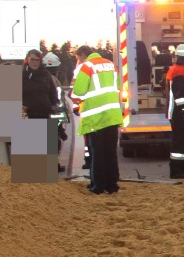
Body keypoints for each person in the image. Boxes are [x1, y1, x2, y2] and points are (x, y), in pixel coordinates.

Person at [71, 44, 124, 195]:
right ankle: (112, 185)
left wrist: (75, 100)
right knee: (110, 152)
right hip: (112, 116)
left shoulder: (86, 67)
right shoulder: (110, 65)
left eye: (77, 58)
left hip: (96, 117)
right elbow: (118, 86)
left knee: (97, 153)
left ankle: (98, 185)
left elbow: (78, 92)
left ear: (82, 55)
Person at [165, 43, 184, 179]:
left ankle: (179, 168)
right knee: (180, 143)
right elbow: (181, 97)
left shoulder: (175, 70)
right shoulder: (181, 72)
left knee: (179, 142)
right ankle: (177, 171)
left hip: (176, 113)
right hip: (179, 114)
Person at [21, 49, 58, 120]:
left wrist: (54, 104)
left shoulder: (46, 74)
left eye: (37, 60)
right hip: (26, 114)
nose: (35, 62)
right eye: (32, 59)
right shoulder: (21, 75)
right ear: (27, 60)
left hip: (44, 113)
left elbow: (53, 92)